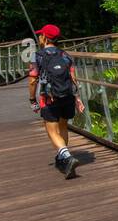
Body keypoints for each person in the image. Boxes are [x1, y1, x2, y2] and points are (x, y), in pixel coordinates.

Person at [27, 24, 85, 178]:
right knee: (63, 127)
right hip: (67, 96)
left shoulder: (37, 56)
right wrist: (77, 97)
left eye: (41, 35)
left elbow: (33, 80)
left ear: (44, 38)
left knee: (51, 130)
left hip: (49, 98)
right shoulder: (66, 55)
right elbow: (73, 78)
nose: (39, 37)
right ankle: (62, 159)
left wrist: (32, 99)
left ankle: (67, 157)